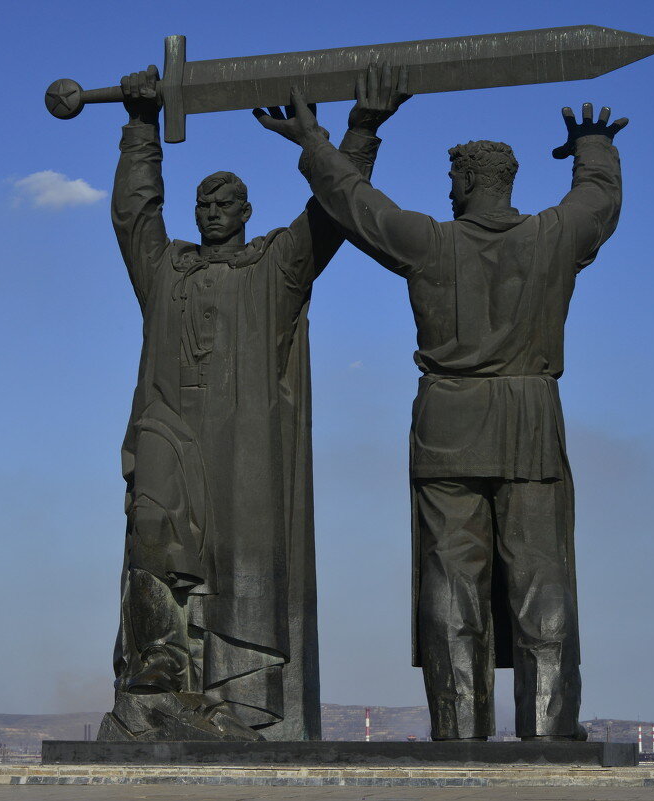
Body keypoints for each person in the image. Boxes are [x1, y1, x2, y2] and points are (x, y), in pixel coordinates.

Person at [257, 87, 627, 741]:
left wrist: (316, 142)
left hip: (448, 420)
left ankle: (458, 728)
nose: (448, 186)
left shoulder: (428, 243)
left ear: (466, 181)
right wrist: (591, 147)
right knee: (539, 571)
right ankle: (547, 727)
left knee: (450, 575)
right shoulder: (553, 236)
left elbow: (354, 204)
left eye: (452, 175)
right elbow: (597, 201)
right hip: (527, 416)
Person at [100, 65, 403, 741]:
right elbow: (132, 214)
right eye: (203, 203)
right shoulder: (164, 269)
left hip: (243, 448)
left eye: (223, 203)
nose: (210, 212)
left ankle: (233, 703)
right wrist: (140, 127)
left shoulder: (276, 266)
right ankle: (154, 693)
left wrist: (357, 132)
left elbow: (330, 214)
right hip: (168, 432)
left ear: (245, 212)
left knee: (239, 569)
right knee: (154, 553)